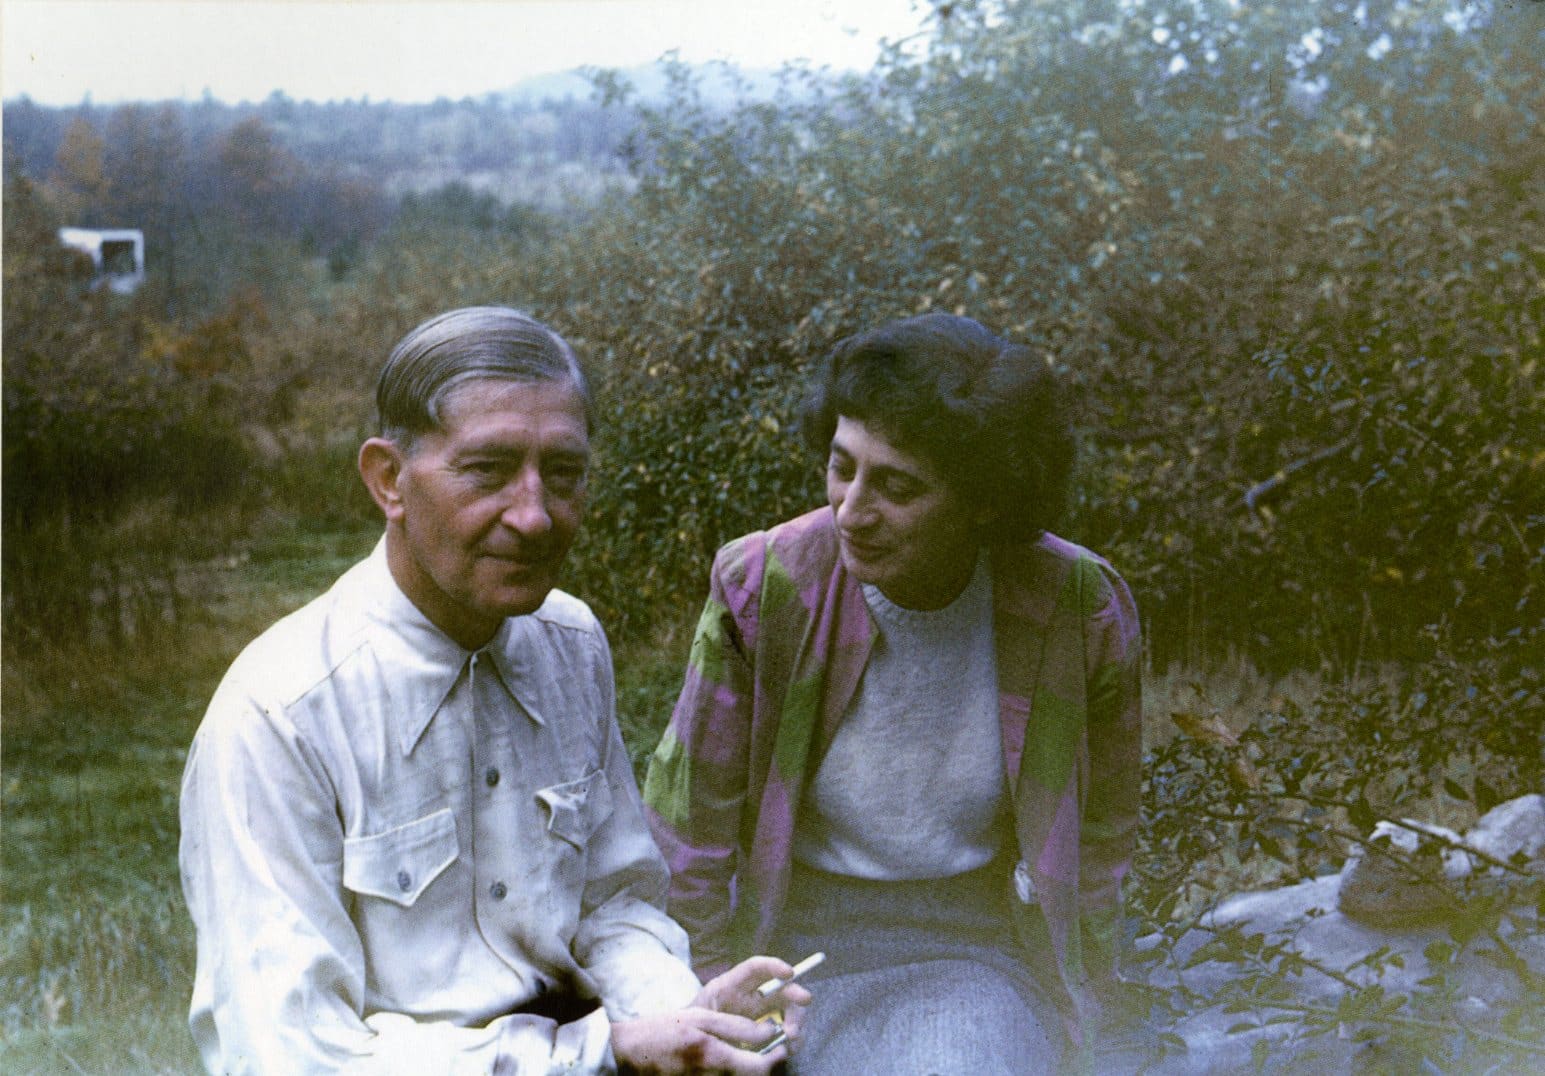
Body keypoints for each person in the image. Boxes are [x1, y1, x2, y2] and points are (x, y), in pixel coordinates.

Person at [179, 306, 808, 1075]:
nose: (535, 516)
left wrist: (685, 1016)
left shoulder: (570, 642)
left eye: (564, 474)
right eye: (487, 470)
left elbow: (614, 903)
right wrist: (604, 1054)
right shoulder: (279, 713)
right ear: (388, 480)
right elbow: (286, 1052)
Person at [642, 313, 1142, 1074]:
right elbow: (689, 829)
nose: (851, 510)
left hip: (973, 958)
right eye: (842, 467)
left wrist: (1092, 1010)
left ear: (984, 500)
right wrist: (706, 994)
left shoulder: (1078, 608)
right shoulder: (765, 586)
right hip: (779, 953)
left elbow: (1101, 839)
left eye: (897, 487)